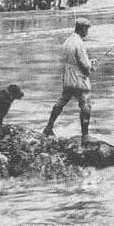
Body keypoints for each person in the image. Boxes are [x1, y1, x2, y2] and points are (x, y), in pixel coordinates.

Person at [44, 17, 95, 145]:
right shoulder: (79, 43)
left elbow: (68, 59)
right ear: (83, 29)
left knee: (61, 101)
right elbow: (84, 65)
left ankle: (48, 127)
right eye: (87, 29)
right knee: (86, 105)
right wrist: (90, 66)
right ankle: (85, 135)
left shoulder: (68, 41)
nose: (87, 32)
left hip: (67, 77)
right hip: (79, 79)